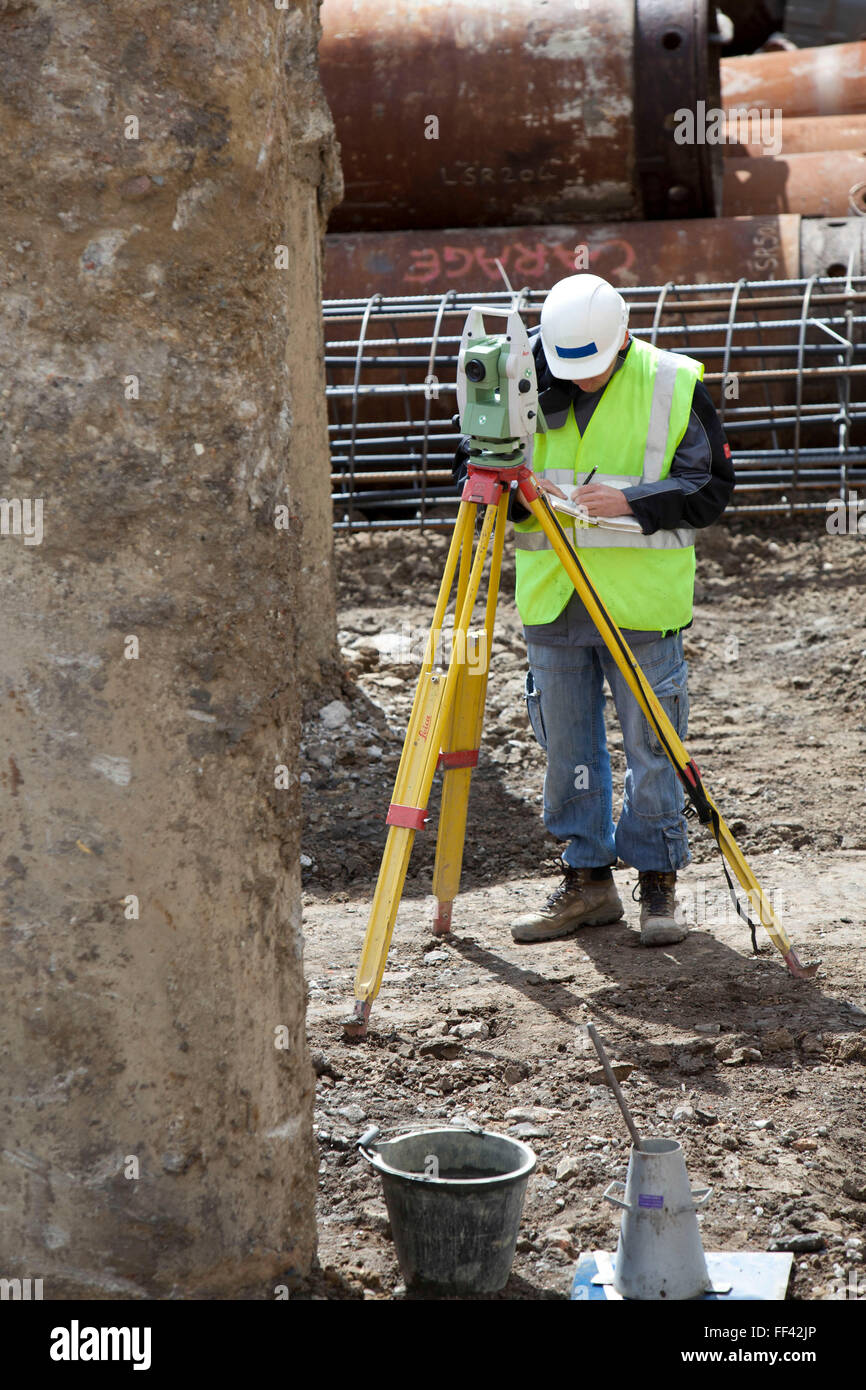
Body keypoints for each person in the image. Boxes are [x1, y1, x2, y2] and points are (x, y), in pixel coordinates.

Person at [452, 274, 734, 946]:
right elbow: (473, 466)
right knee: (566, 749)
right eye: (567, 367)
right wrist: (522, 491)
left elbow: (710, 488)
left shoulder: (672, 382)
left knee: (651, 747)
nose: (579, 380)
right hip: (553, 597)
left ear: (623, 337)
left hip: (640, 601)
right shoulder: (525, 375)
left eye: (594, 368)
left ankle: (657, 881)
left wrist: (635, 501)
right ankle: (586, 882)